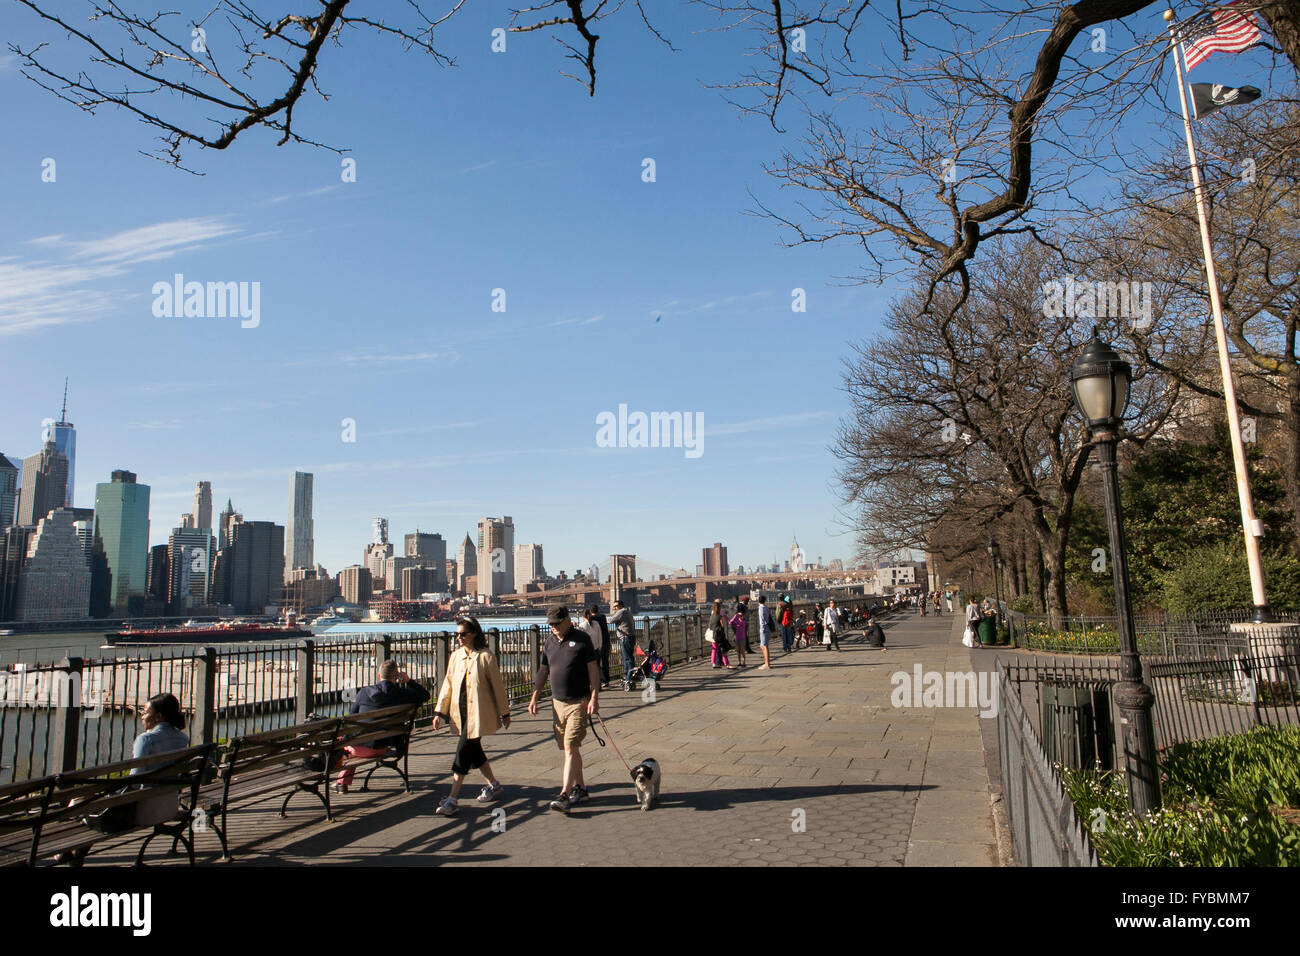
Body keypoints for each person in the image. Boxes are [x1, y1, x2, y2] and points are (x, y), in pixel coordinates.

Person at [431, 617, 511, 816]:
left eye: (463, 634)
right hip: (461, 714)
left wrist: (505, 712)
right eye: (457, 634)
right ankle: (494, 785)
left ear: (474, 633)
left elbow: (498, 687)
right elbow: (448, 684)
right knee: (474, 751)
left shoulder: (485, 657)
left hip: (479, 715)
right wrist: (439, 712)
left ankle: (452, 799)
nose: (459, 638)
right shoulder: (456, 656)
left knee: (462, 753)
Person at [528, 605, 600, 814]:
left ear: (568, 620)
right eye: (550, 624)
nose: (554, 628)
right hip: (556, 703)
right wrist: (535, 695)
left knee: (570, 746)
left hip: (578, 702)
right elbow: (543, 670)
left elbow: (593, 669)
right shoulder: (549, 642)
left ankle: (564, 794)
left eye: (557, 623)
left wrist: (594, 696)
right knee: (570, 749)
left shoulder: (582, 639)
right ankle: (582, 789)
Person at [335, 659, 430, 792]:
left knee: (348, 741)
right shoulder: (401, 694)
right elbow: (425, 695)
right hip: (385, 746)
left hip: (360, 749)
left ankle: (341, 783)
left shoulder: (364, 692)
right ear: (396, 677)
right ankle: (342, 782)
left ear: (379, 675)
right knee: (357, 741)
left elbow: (350, 720)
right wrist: (408, 681)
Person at [131, 693, 189, 774]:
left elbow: (135, 779)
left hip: (149, 786)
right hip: (175, 785)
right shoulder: (183, 738)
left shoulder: (145, 740)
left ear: (158, 717)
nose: (142, 717)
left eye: (145, 713)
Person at [609, 599, 636, 690]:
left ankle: (628, 679)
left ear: (620, 606)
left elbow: (610, 620)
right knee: (629, 658)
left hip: (625, 637)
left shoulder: (621, 612)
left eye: (615, 606)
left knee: (627, 659)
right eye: (614, 607)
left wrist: (599, 618)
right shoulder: (627, 612)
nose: (614, 608)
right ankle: (630, 677)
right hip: (630, 637)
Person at [589, 604, 612, 688]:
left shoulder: (591, 619)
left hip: (598, 643)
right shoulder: (603, 617)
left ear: (591, 612)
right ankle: (606, 680)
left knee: (597, 663)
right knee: (605, 662)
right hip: (606, 642)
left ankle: (598, 682)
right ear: (598, 610)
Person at [708, 598, 733, 668]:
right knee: (723, 649)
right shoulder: (719, 615)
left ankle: (715, 663)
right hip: (719, 635)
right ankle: (725, 663)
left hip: (713, 635)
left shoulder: (712, 615)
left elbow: (710, 625)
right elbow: (723, 625)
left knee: (715, 649)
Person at [756, 594, 775, 669]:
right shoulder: (766, 607)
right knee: (763, 645)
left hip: (764, 628)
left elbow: (762, 619)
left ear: (758, 601)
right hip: (767, 628)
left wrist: (762, 629)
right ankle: (766, 662)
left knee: (764, 646)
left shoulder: (761, 608)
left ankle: (767, 664)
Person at [728, 600, 748, 667]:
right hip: (737, 636)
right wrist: (735, 625)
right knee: (738, 650)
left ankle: (744, 662)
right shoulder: (736, 616)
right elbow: (730, 622)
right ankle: (739, 662)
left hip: (742, 636)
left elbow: (745, 624)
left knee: (742, 650)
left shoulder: (744, 618)